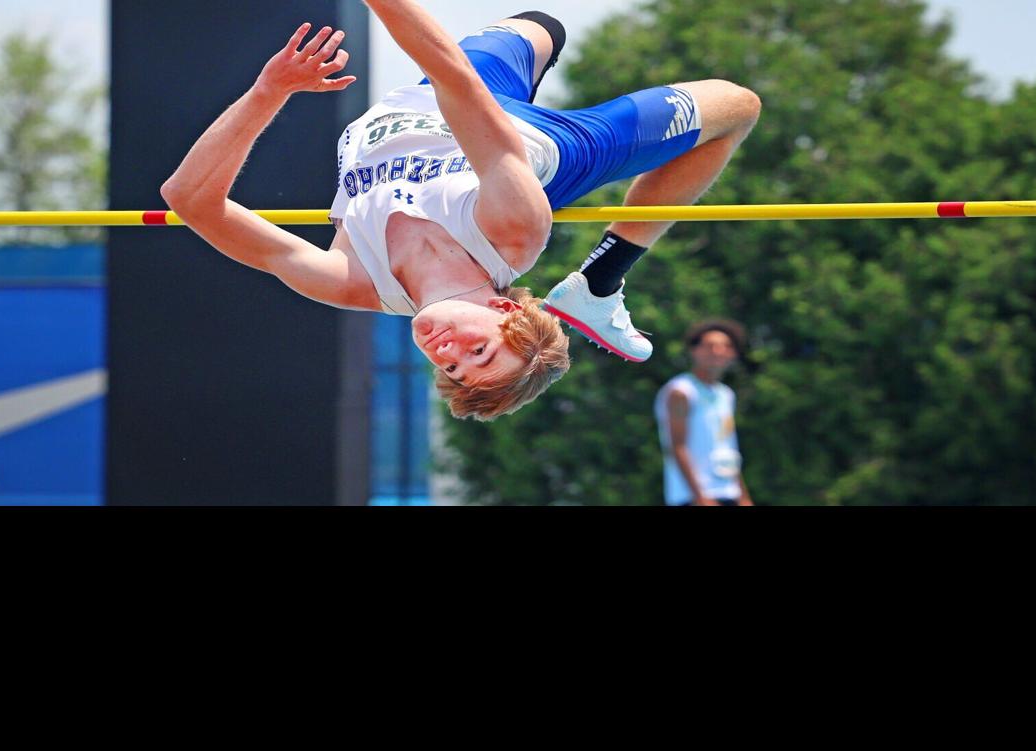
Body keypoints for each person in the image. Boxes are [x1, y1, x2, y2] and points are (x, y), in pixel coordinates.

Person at [162, 1, 762, 421]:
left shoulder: (349, 280)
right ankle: (603, 279)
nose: (447, 354)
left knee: (538, 27)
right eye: (479, 353)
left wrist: (269, 90)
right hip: (547, 144)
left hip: (432, 99)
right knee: (736, 107)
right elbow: (455, 81)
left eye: (452, 371)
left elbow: (189, 200)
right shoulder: (512, 231)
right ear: (507, 310)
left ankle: (597, 286)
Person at [654, 321, 754, 507]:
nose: (718, 351)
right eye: (710, 345)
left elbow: (727, 447)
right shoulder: (681, 391)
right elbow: (677, 446)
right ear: (694, 350)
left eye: (726, 346)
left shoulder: (725, 394)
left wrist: (743, 496)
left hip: (728, 493)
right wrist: (700, 497)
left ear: (733, 353)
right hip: (692, 497)